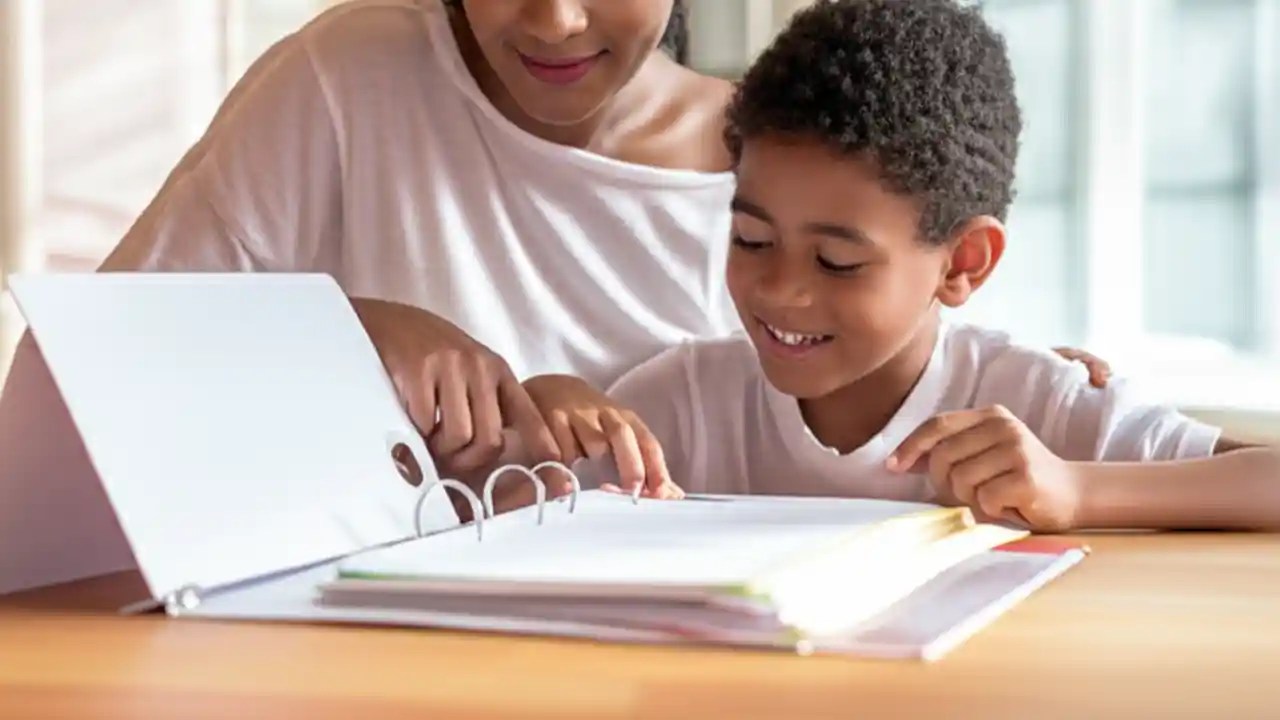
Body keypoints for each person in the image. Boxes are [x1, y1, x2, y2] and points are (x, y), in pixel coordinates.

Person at [95, 0, 1105, 504]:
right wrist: (344, 330)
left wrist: (985, 374)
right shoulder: (345, 82)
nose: (553, 21)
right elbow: (95, 368)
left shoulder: (780, 164)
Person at [536, 0, 1279, 531]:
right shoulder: (683, 405)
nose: (781, 290)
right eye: (752, 241)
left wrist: (1079, 490)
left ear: (963, 263)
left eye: (837, 261)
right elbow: (519, 523)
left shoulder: (1031, 405)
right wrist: (539, 422)